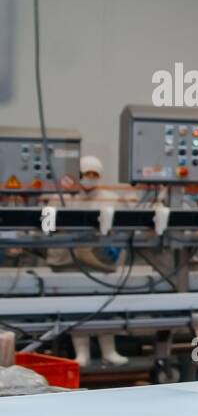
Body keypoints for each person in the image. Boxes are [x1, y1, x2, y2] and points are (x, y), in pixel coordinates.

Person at [67, 156, 128, 366]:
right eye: (86, 174)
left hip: (102, 263)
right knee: (78, 307)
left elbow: (121, 230)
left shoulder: (111, 198)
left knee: (104, 307)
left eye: (94, 175)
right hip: (73, 263)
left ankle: (109, 351)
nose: (90, 179)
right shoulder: (66, 198)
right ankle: (81, 353)